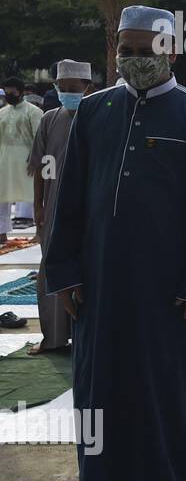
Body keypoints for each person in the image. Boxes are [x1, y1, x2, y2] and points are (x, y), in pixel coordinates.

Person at [45, 5, 186, 481]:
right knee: (99, 394)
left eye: (143, 48)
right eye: (124, 48)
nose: (131, 58)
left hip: (169, 293)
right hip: (101, 289)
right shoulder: (95, 112)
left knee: (171, 394)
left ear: (169, 49)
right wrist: (68, 272)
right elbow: (70, 200)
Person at [28, 60, 91, 355]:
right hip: (54, 207)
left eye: (73, 90)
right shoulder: (49, 119)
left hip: (91, 209)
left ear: (87, 88)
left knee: (89, 270)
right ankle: (53, 338)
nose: (67, 94)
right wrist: (38, 206)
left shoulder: (97, 117)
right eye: (62, 89)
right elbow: (39, 167)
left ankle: (87, 337)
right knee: (51, 269)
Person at [0, 76, 43, 242]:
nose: (9, 94)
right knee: (1, 198)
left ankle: (40, 232)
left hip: (28, 162)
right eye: (7, 91)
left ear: (21, 92)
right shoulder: (2, 113)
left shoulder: (33, 111)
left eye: (13, 91)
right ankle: (1, 233)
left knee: (36, 196)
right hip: (4, 162)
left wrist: (36, 159)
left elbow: (39, 137)